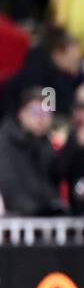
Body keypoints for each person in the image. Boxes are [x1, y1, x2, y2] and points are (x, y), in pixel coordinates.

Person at [0, 86, 62, 216]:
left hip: (44, 218)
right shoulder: (5, 143)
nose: (41, 118)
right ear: (21, 114)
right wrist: (41, 213)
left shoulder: (45, 143)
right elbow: (10, 190)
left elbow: (54, 181)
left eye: (47, 112)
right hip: (17, 222)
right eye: (36, 112)